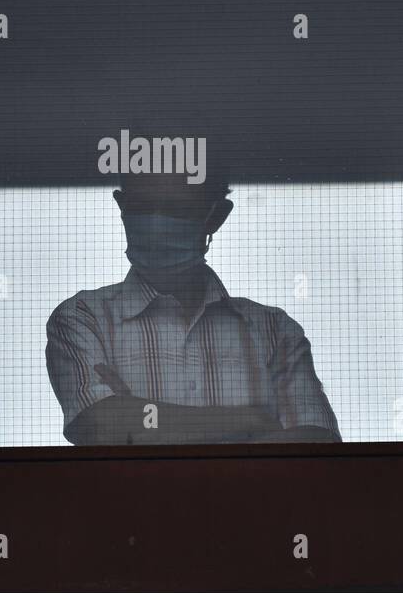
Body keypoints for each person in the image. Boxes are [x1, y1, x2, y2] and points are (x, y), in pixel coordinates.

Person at [46, 168, 341, 445]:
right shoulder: (82, 317)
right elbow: (101, 423)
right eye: (143, 207)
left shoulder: (274, 331)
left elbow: (317, 443)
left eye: (177, 210)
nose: (157, 223)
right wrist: (250, 421)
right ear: (121, 207)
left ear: (217, 216)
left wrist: (139, 418)